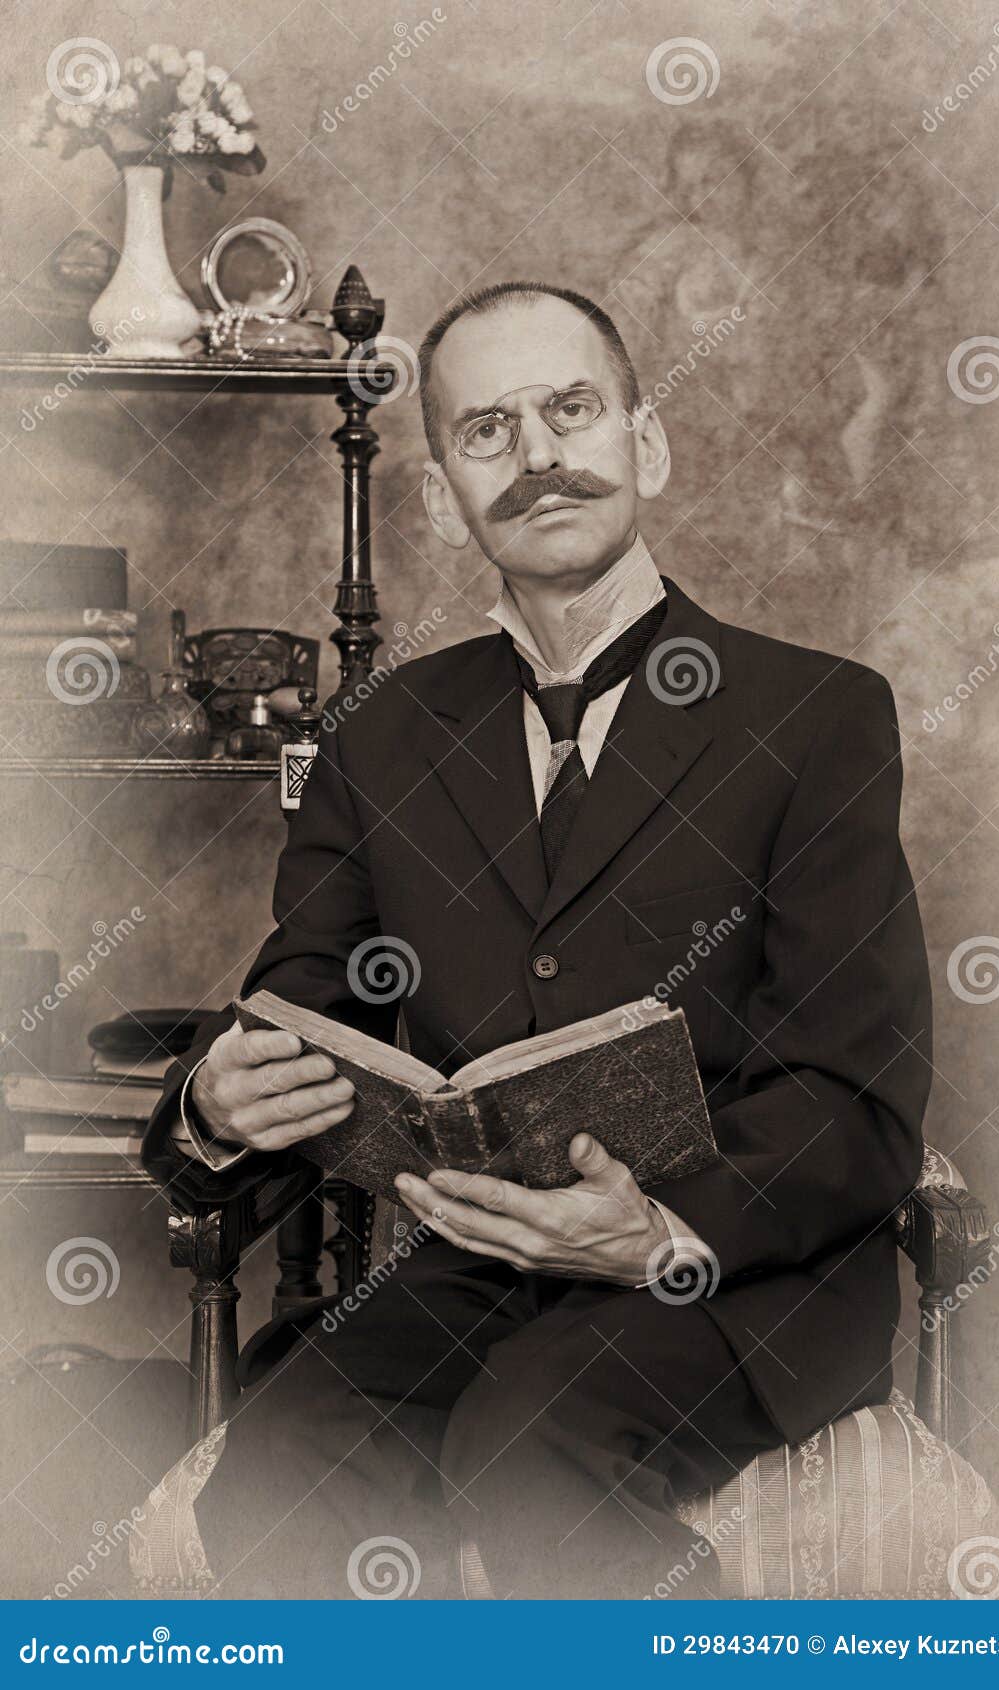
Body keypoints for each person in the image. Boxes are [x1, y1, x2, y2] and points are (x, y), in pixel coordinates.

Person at [142, 280, 932, 1600]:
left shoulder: (821, 717)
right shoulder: (380, 735)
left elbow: (859, 1099)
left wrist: (659, 1226)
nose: (538, 455)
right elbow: (308, 1004)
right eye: (487, 429)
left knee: (528, 1447)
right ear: (447, 479)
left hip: (735, 1271)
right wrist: (220, 1106)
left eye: (571, 409)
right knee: (284, 1460)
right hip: (481, 1259)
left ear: (645, 441)